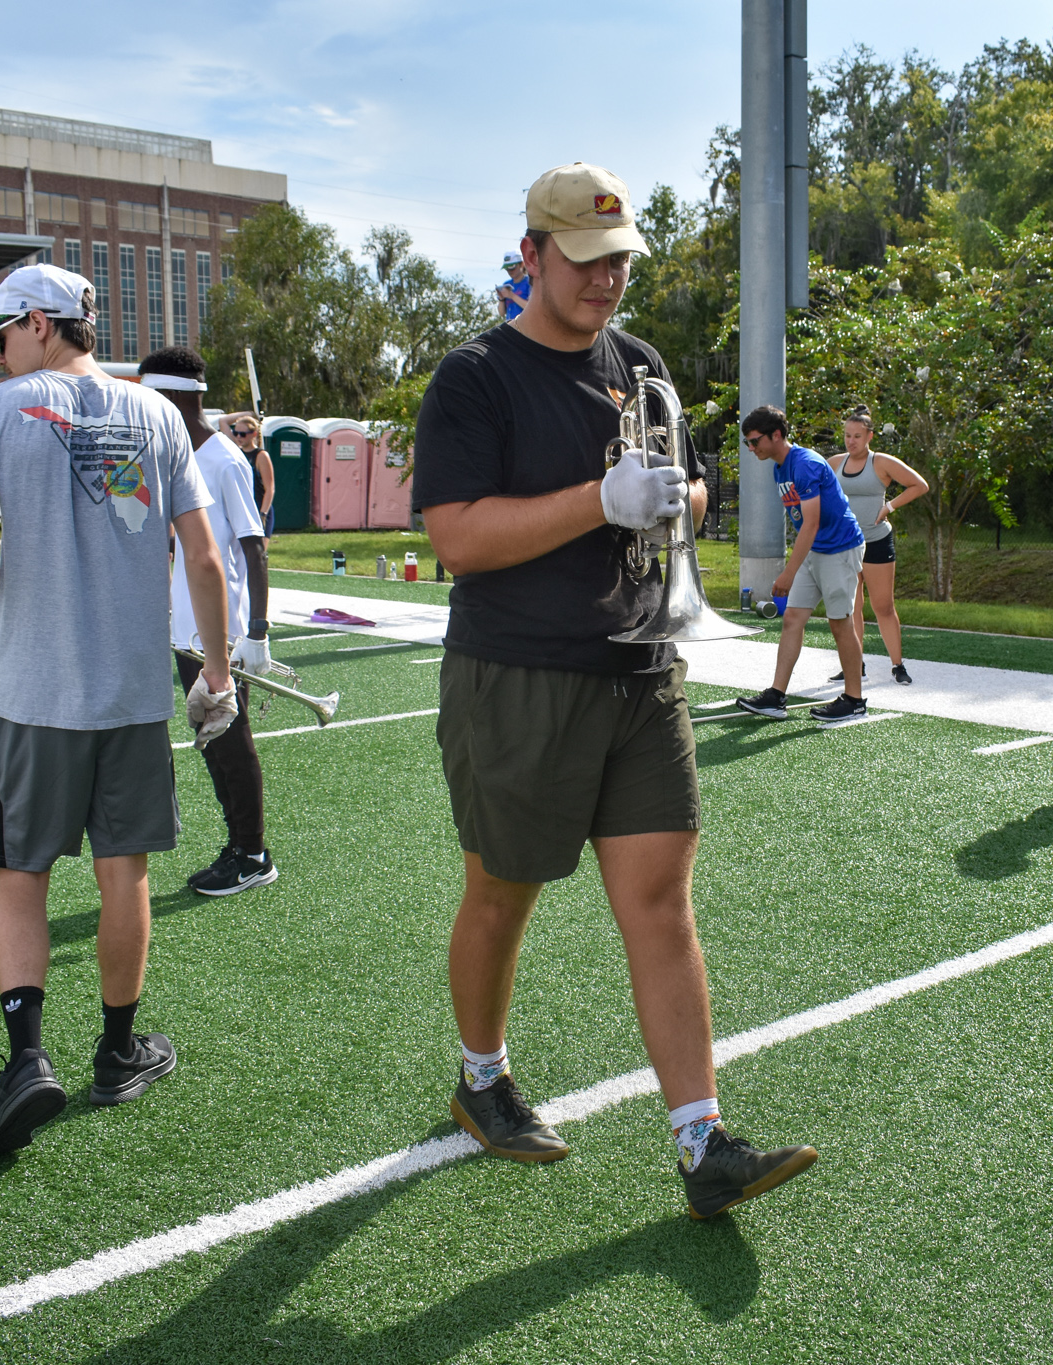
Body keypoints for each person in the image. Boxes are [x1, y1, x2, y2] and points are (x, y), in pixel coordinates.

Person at [414, 161, 817, 1218]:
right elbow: (457, 538)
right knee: (502, 892)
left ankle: (701, 1142)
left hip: (642, 668)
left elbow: (688, 487)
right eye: (586, 261)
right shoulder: (474, 377)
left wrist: (674, 496)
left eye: (620, 261)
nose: (606, 279)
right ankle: (482, 1077)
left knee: (661, 901)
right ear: (532, 255)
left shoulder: (640, 364)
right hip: (520, 673)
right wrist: (599, 499)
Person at [0, 263, 237, 1154]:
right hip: (131, 696)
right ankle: (116, 1050)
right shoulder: (157, 415)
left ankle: (27, 1057)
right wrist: (217, 673)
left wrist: (8, 584)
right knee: (122, 873)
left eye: (0, 335)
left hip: (32, 693)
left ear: (38, 322)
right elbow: (204, 559)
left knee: (21, 873)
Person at [149, 349, 280, 895]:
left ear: (173, 397)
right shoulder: (178, 453)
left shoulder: (224, 459)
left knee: (231, 739)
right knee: (212, 738)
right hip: (188, 629)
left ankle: (253, 854)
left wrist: (257, 632)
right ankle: (237, 845)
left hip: (219, 631)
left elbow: (254, 547)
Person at [734, 406, 870, 726]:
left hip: (840, 549)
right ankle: (776, 696)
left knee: (840, 623)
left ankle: (854, 700)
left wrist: (788, 572)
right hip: (816, 548)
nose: (751, 448)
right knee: (793, 618)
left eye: (754, 441)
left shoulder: (806, 463)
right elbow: (802, 523)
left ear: (776, 435)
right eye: (747, 443)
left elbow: (811, 523)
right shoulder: (779, 468)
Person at [829, 404, 928, 688]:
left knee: (883, 607)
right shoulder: (835, 462)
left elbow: (919, 485)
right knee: (851, 608)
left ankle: (897, 665)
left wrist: (889, 507)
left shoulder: (881, 462)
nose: (851, 441)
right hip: (846, 544)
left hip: (876, 542)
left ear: (869, 436)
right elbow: (815, 489)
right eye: (847, 435)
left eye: (857, 436)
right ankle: (855, 665)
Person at [225, 413, 276, 536]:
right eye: (235, 433)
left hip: (259, 508)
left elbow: (270, 489)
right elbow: (223, 421)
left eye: (243, 434)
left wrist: (263, 514)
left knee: (259, 548)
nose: (238, 437)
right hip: (243, 511)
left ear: (254, 434)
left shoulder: (261, 456)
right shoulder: (237, 452)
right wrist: (248, 414)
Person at [495, 249, 530, 320]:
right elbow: (501, 313)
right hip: (510, 323)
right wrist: (501, 298)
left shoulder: (530, 282)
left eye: (512, 268)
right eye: (507, 269)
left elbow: (532, 308)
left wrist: (512, 296)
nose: (510, 271)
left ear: (522, 264)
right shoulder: (506, 284)